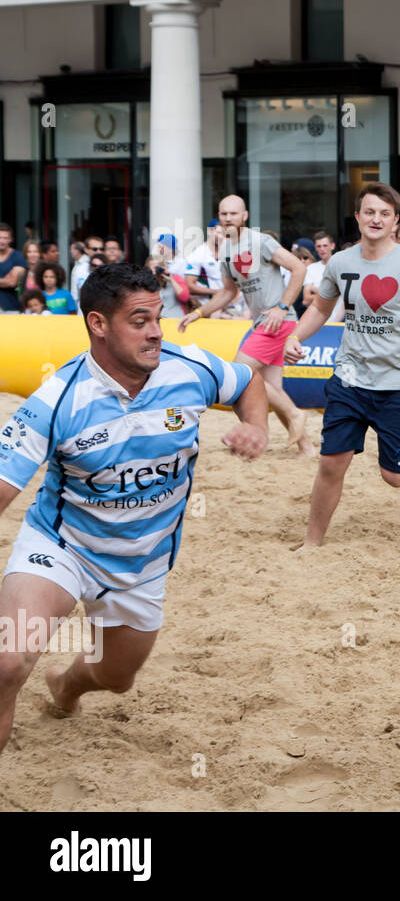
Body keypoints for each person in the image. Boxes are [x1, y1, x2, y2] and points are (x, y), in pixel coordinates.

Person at [0, 262, 268, 755]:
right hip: (62, 548)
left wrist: (257, 426)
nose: (155, 333)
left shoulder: (190, 368)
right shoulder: (58, 398)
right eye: (139, 321)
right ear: (98, 324)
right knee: (8, 662)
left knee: (116, 678)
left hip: (141, 564)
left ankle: (67, 686)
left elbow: (248, 380)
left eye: (158, 318)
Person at [285, 182, 400, 548]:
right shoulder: (340, 262)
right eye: (369, 211)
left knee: (394, 476)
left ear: (395, 221)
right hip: (349, 378)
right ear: (357, 217)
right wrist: (295, 337)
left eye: (384, 213)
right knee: (331, 463)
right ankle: (312, 542)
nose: (376, 219)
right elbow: (320, 308)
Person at [178, 195, 311, 457]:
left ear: (245, 216)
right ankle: (306, 447)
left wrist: (282, 306)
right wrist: (199, 313)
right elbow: (228, 293)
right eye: (223, 214)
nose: (228, 219)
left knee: (241, 372)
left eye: (233, 214)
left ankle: (296, 413)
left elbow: (299, 269)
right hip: (262, 322)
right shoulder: (226, 250)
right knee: (272, 389)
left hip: (277, 322)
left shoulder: (261, 241)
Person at [145, 254, 190, 319]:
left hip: (177, 319)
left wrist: (171, 280)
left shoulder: (174, 278)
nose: (156, 270)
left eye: (158, 267)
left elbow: (185, 297)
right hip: (160, 320)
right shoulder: (148, 283)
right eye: (153, 268)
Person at [0, 223, 30, 313]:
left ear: (11, 239)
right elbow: (7, 281)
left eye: (5, 238)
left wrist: (8, 280)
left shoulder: (18, 257)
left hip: (10, 307)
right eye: (0, 237)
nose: (2, 241)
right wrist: (4, 279)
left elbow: (12, 282)